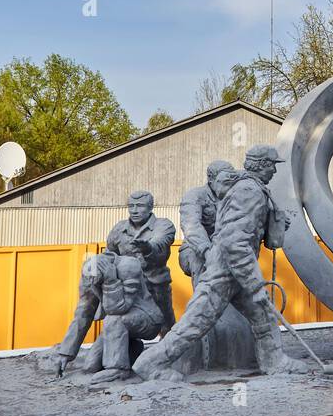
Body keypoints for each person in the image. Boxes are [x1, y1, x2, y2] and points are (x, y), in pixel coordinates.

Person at [132, 145, 309, 381]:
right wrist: (255, 285)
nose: (274, 172)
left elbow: (244, 228)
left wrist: (272, 222)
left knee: (263, 316)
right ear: (261, 165)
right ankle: (150, 363)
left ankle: (274, 361)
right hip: (225, 270)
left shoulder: (251, 189)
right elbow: (235, 242)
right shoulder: (249, 191)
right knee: (197, 321)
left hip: (234, 270)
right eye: (272, 166)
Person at [52, 251, 164, 383]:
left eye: (98, 281)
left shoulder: (129, 266)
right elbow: (84, 311)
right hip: (119, 324)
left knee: (112, 319)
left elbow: (118, 308)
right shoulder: (90, 272)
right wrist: (66, 353)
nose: (94, 284)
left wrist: (111, 280)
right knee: (90, 366)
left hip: (148, 319)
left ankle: (117, 369)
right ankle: (132, 349)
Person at [106, 190, 177, 335]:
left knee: (166, 323)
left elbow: (160, 243)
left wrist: (148, 248)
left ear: (151, 207)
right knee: (119, 321)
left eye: (140, 206)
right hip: (128, 285)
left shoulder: (163, 225)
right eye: (131, 206)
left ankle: (171, 349)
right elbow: (111, 253)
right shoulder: (120, 228)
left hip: (155, 284)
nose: (134, 210)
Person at [178, 160, 234, 283]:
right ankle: (203, 299)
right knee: (201, 261)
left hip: (224, 249)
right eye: (223, 182)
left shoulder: (234, 198)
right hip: (195, 249)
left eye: (230, 182)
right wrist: (207, 251)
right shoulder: (195, 195)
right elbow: (192, 225)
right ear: (211, 179)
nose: (227, 186)